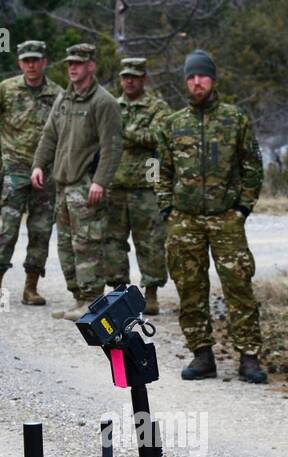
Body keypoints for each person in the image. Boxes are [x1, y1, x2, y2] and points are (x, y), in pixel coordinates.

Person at [156, 49, 267, 384]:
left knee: (238, 285)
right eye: (191, 77)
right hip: (185, 219)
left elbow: (252, 166)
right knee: (190, 288)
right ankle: (201, 354)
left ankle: (248, 356)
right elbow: (162, 171)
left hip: (225, 218)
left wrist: (242, 208)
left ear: (213, 79)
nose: (196, 82)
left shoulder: (235, 120)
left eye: (202, 76)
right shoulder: (173, 125)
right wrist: (168, 208)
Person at [31, 43, 123, 321]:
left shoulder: (104, 102)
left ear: (91, 66)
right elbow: (49, 135)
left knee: (88, 244)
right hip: (62, 184)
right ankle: (78, 298)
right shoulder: (64, 99)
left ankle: (93, 301)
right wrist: (38, 164)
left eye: (79, 63)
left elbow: (112, 147)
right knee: (66, 245)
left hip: (86, 184)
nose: (72, 67)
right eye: (69, 63)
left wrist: (100, 182)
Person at [0, 40, 63, 307]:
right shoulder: (6, 89)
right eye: (26, 61)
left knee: (41, 230)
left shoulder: (57, 94)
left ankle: (31, 288)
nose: (31, 65)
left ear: (44, 62)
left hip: (46, 172)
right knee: (8, 229)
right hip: (15, 170)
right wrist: (7, 143)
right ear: (19, 63)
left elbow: (67, 128)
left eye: (36, 60)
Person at [103, 57, 172, 314]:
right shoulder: (112, 105)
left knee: (150, 242)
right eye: (125, 76)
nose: (129, 81)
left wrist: (123, 133)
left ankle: (151, 294)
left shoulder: (158, 107)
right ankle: (119, 293)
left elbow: (158, 137)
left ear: (144, 78)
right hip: (115, 184)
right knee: (113, 241)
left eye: (134, 76)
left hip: (146, 186)